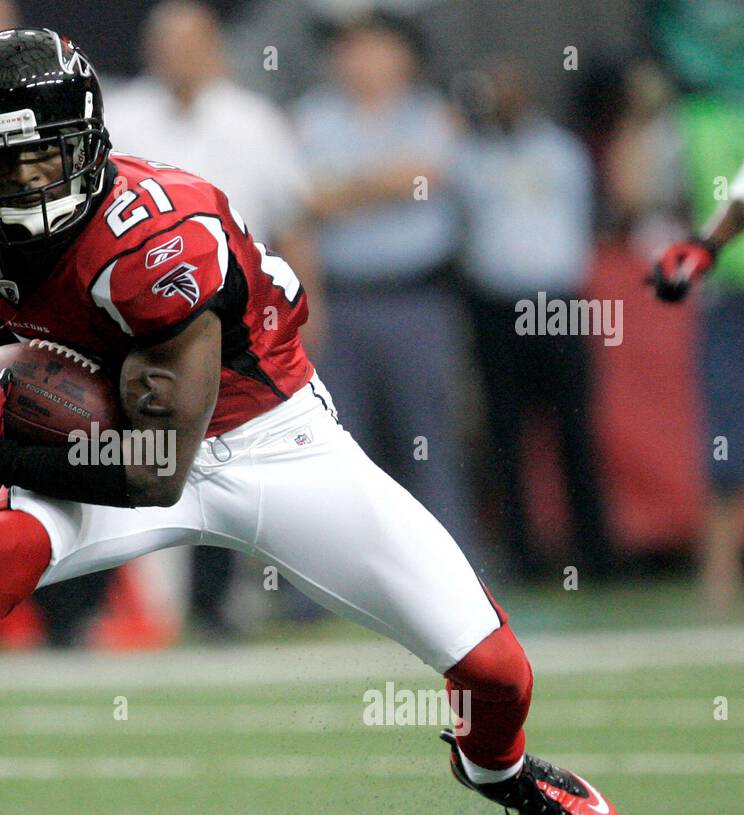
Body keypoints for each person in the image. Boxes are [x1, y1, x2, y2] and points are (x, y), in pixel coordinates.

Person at [0, 28, 619, 815]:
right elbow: (2, 323)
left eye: (42, 160)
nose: (21, 184)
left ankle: (495, 769)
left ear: (87, 146)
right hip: (132, 428)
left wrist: (0, 446)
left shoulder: (156, 241)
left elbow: (158, 468)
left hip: (267, 442)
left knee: (495, 670)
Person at [106, 0, 326, 636]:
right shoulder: (120, 116)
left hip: (235, 322)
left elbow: (292, 221)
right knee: (135, 454)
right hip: (133, 323)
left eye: (190, 43)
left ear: (214, 48)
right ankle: (130, 609)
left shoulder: (253, 121)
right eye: (167, 44)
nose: (178, 57)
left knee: (229, 456)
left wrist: (312, 308)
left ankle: (215, 603)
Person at [293, 12, 476, 555]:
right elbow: (303, 202)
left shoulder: (433, 114)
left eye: (374, 46)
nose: (359, 59)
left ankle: (454, 570)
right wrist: (382, 183)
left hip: (417, 298)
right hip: (338, 299)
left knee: (430, 441)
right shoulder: (311, 118)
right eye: (349, 47)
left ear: (404, 55)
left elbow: (425, 177)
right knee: (331, 443)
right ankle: (328, 581)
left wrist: (342, 191)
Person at [453, 61, 613, 578]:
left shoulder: (560, 151)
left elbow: (583, 217)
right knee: (505, 434)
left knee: (575, 429)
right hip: (495, 306)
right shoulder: (467, 157)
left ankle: (595, 550)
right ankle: (523, 555)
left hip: (557, 302)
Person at [650, 113, 744, 616]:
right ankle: (719, 599)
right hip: (736, 300)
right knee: (727, 449)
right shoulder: (701, 118)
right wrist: (708, 247)